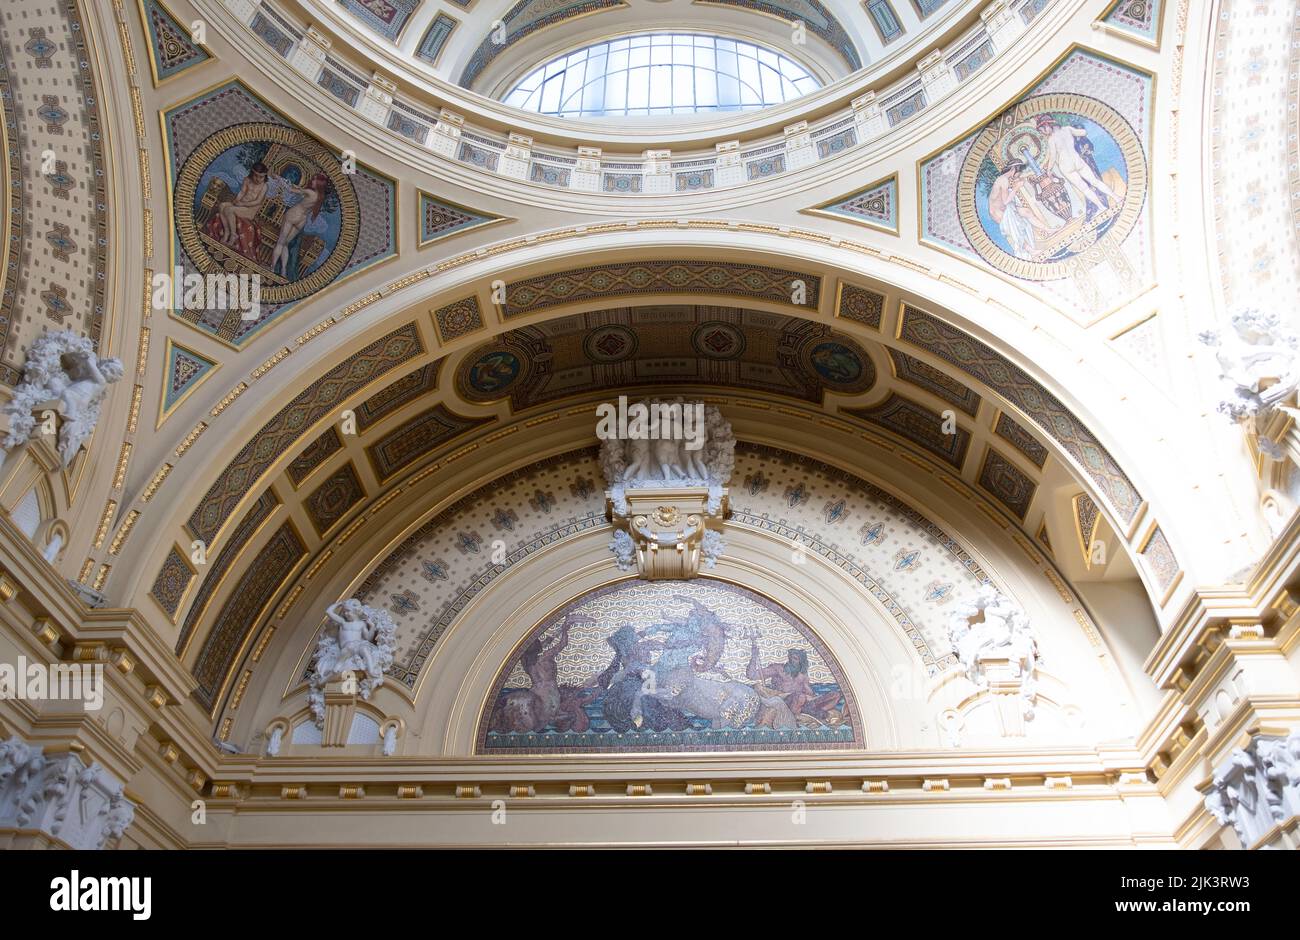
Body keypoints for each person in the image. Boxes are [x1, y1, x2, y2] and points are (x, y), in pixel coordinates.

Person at [1036, 115, 1117, 219]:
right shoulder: (1067, 129)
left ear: (1047, 125)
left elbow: (1053, 157)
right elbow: (1083, 132)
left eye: (1042, 130)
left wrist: (1048, 171)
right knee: (1095, 182)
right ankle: (1116, 197)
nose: (1043, 133)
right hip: (1078, 161)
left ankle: (1101, 207)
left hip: (1066, 167)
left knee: (1084, 188)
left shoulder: (1051, 139)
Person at [270, 172, 330, 277]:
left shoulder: (310, 192)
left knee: (280, 242)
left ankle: (272, 267)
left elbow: (289, 189)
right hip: (302, 220)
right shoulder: (320, 197)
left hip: (293, 215)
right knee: (285, 244)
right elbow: (298, 189)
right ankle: (283, 271)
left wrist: (279, 179)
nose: (312, 181)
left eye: (315, 180)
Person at [214, 161, 269, 254]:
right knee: (222, 205)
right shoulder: (247, 180)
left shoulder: (264, 186)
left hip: (250, 210)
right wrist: (237, 201)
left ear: (264, 176)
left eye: (261, 177)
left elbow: (258, 201)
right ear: (252, 173)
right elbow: (242, 193)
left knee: (229, 209)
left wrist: (242, 204)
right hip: (241, 205)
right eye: (256, 176)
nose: (258, 179)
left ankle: (233, 235)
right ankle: (227, 231)